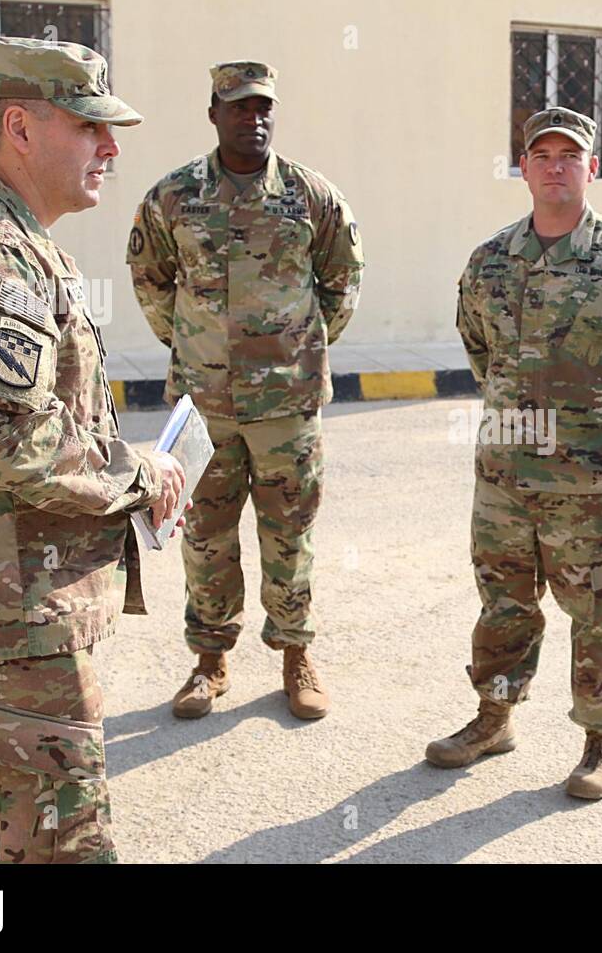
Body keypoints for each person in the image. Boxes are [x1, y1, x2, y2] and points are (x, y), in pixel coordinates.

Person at [0, 36, 185, 863]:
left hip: (8, 617)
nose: (111, 147)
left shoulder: (16, 243)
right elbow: (15, 443)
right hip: (2, 630)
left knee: (12, 850)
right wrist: (138, 472)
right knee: (52, 851)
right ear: (21, 126)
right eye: (91, 127)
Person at [429, 106, 602, 799]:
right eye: (541, 155)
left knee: (600, 608)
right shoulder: (489, 261)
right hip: (506, 475)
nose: (555, 166)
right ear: (524, 168)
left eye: (568, 155)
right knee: (503, 603)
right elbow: (479, 349)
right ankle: (494, 717)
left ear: (590, 168)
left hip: (595, 477)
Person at [128, 61, 364, 721]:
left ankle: (295, 655)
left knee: (290, 534)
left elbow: (342, 279)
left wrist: (302, 347)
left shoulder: (310, 196)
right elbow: (150, 278)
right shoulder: (173, 197)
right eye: (237, 107)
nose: (252, 118)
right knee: (205, 534)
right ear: (213, 114)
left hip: (287, 405)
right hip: (204, 404)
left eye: (262, 107)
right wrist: (192, 345)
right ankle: (210, 660)